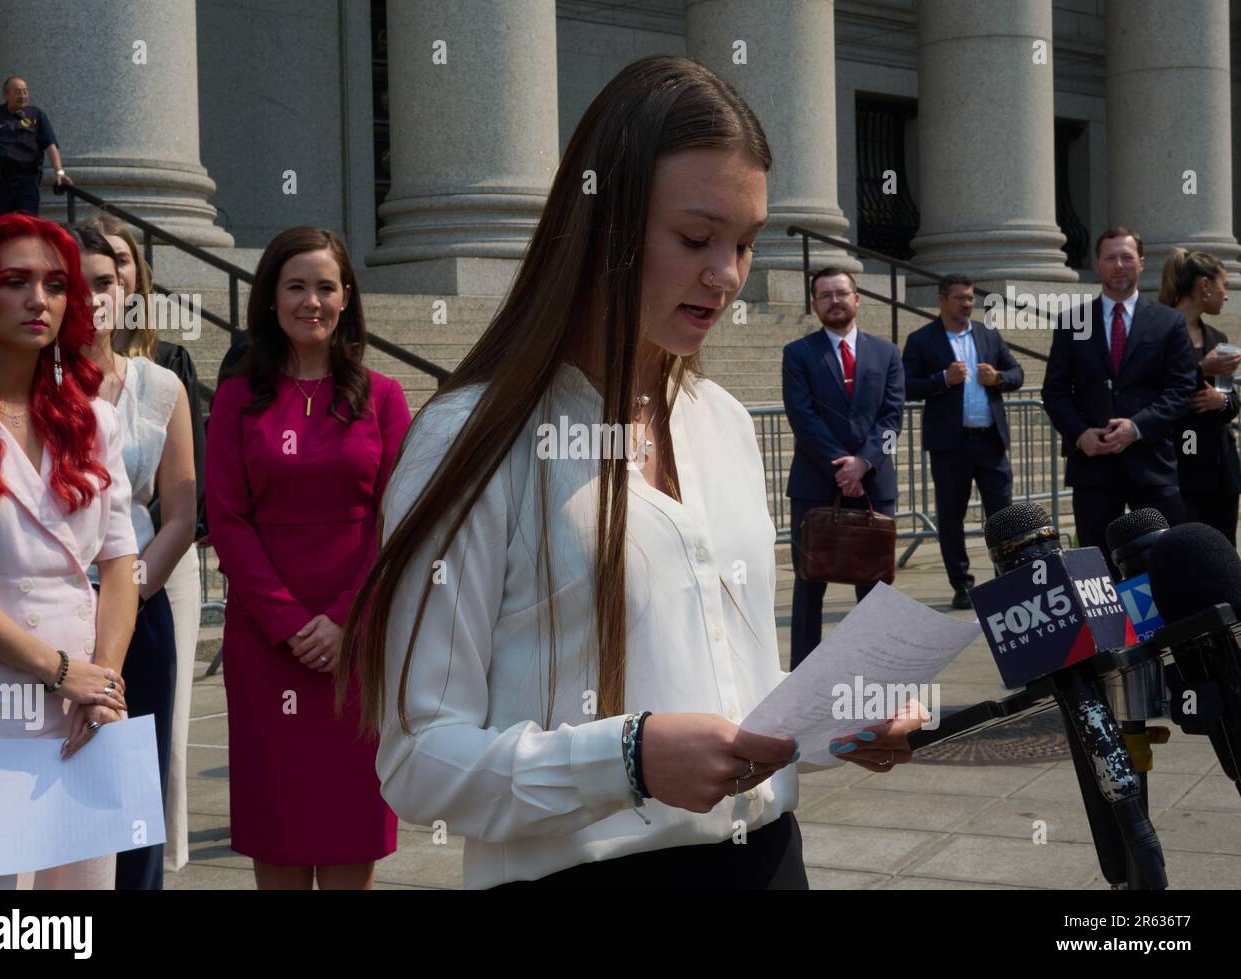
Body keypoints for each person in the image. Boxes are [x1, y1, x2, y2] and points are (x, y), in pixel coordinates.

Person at [340, 56, 921, 891]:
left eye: (746, 243)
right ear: (603, 223)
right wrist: (625, 757)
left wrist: (832, 719)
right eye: (696, 238)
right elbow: (421, 758)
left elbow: (727, 681)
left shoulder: (721, 420)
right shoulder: (473, 437)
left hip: (769, 858)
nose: (726, 275)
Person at [206, 226, 409, 890]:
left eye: (326, 286)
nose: (311, 300)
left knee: (351, 828)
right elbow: (228, 519)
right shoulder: (238, 396)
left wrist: (349, 618)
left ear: (347, 297)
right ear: (270, 299)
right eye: (295, 286)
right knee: (281, 830)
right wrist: (291, 623)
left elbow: (396, 519)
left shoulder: (383, 398)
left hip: (355, 642)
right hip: (267, 645)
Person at [0, 214, 136, 889]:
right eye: (15, 281)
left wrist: (101, 678)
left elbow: (118, 563)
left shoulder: (97, 421)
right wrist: (58, 670)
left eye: (55, 284)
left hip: (85, 703)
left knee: (72, 922)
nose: (39, 300)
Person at [68, 224, 196, 889]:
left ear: (129, 291)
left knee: (131, 798)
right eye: (77, 281)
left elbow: (180, 513)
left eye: (107, 281)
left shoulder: (160, 386)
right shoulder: (30, 385)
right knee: (54, 792)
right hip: (50, 619)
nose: (94, 297)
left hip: (138, 615)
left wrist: (129, 594)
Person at [1042, 228, 1197, 569]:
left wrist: (1137, 427)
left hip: (1152, 465)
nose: (1119, 265)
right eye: (1110, 257)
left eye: (1127, 257)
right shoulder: (1073, 322)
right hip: (1093, 469)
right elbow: (1054, 391)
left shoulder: (1168, 323)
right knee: (1098, 568)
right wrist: (1080, 434)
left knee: (1170, 561)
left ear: (1141, 263)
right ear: (1097, 264)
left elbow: (1181, 389)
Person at [782, 267, 905, 668]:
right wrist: (842, 466)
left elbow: (892, 418)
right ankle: (803, 670)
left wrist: (864, 463)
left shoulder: (887, 353)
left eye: (841, 293)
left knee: (875, 587)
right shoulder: (798, 354)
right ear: (814, 305)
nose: (834, 301)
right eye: (824, 295)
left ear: (857, 299)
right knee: (808, 583)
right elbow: (802, 417)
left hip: (874, 486)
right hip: (816, 485)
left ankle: (873, 667)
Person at [902, 274, 1022, 608]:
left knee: (1002, 513)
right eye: (960, 298)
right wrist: (943, 379)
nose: (967, 304)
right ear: (942, 300)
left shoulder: (987, 335)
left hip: (990, 441)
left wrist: (997, 378)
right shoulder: (922, 340)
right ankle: (962, 584)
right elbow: (905, 386)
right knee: (951, 516)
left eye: (970, 298)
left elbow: (1018, 374)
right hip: (949, 445)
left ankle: (1007, 578)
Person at [1159, 248, 1241, 545]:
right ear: (1205, 286)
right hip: (1180, 466)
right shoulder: (1158, 331)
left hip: (1220, 469)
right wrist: (1200, 368)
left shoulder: (1218, 338)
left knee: (1224, 553)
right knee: (1186, 553)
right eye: (1225, 286)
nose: (1227, 295)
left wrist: (1223, 402)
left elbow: (1230, 398)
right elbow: (1153, 388)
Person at [0, 77, 71, 219]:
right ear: (6, 94)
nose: (23, 96)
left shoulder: (36, 115)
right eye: (18, 92)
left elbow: (50, 144)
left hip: (26, 176)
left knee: (27, 221)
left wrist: (59, 172)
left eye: (26, 92)